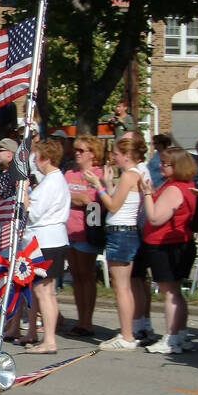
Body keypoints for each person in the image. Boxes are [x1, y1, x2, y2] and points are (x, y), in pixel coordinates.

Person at [83, 138, 146, 350]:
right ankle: (129, 331)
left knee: (121, 287)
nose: (114, 157)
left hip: (121, 232)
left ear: (127, 155)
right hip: (125, 231)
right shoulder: (134, 175)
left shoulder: (129, 175)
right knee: (124, 286)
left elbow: (112, 205)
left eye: (117, 154)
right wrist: (109, 184)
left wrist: (98, 186)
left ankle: (126, 335)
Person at [138, 148, 198, 354]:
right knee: (175, 292)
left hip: (167, 245)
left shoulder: (174, 189)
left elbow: (155, 218)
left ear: (177, 166)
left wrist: (147, 194)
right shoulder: (183, 185)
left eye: (166, 164)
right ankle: (180, 334)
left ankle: (172, 337)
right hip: (178, 243)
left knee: (170, 292)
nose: (161, 166)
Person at [20, 137, 70, 353]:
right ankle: (43, 335)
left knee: (44, 291)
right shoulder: (55, 179)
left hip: (45, 241)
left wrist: (23, 193)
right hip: (51, 239)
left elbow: (32, 214)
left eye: (38, 157)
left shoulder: (51, 182)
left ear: (45, 158)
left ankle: (49, 339)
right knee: (45, 290)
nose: (36, 161)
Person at [64, 136, 104, 337]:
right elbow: (61, 195)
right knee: (76, 277)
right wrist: (76, 198)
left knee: (87, 275)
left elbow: (90, 200)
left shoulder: (98, 174)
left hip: (86, 230)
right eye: (76, 149)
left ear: (92, 153)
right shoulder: (69, 173)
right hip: (68, 230)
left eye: (82, 150)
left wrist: (74, 197)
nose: (77, 153)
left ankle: (87, 321)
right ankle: (80, 319)